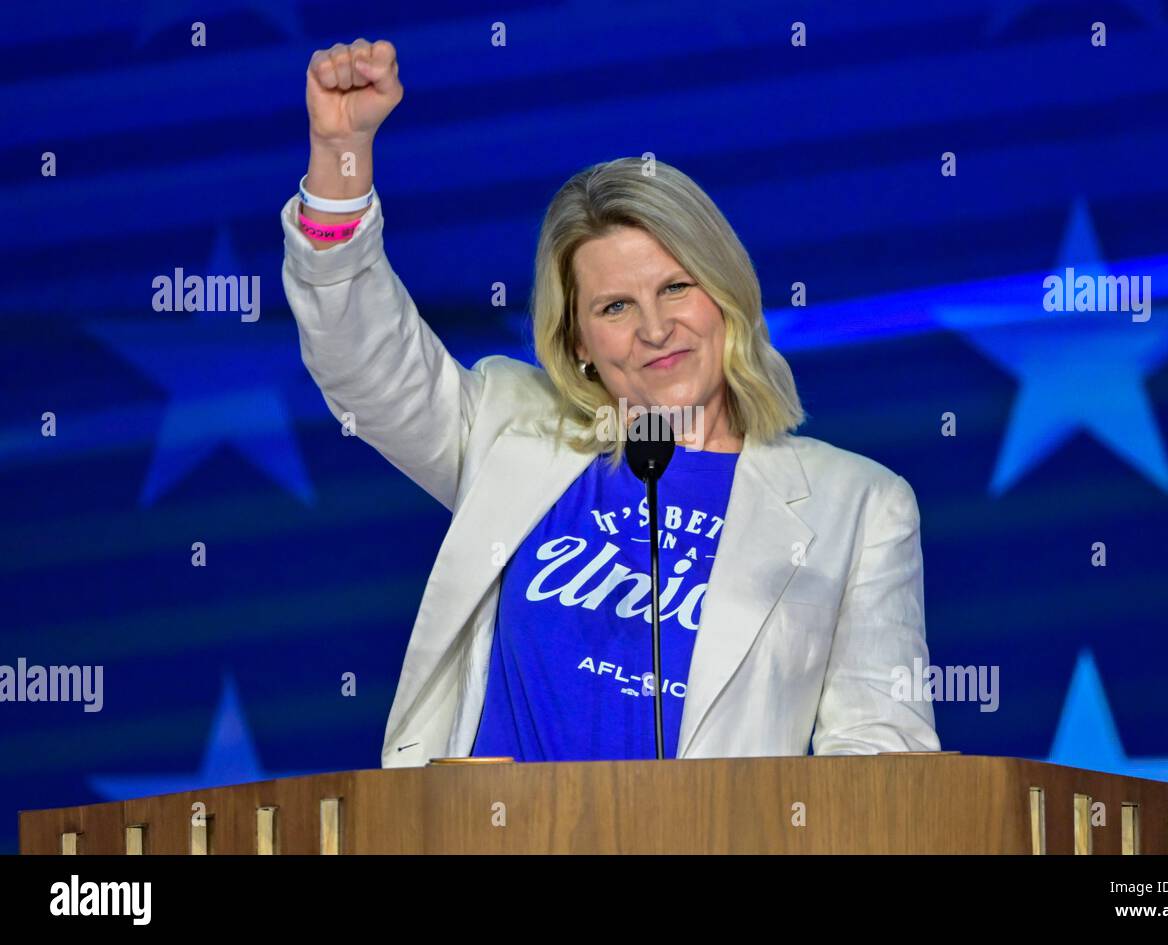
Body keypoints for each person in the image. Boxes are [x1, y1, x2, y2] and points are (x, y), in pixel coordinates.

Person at [281, 38, 941, 764]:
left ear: (726, 294)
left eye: (677, 288)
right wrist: (340, 155)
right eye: (616, 307)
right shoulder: (508, 428)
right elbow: (362, 361)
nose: (656, 329)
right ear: (578, 341)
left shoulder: (858, 505)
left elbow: (881, 761)